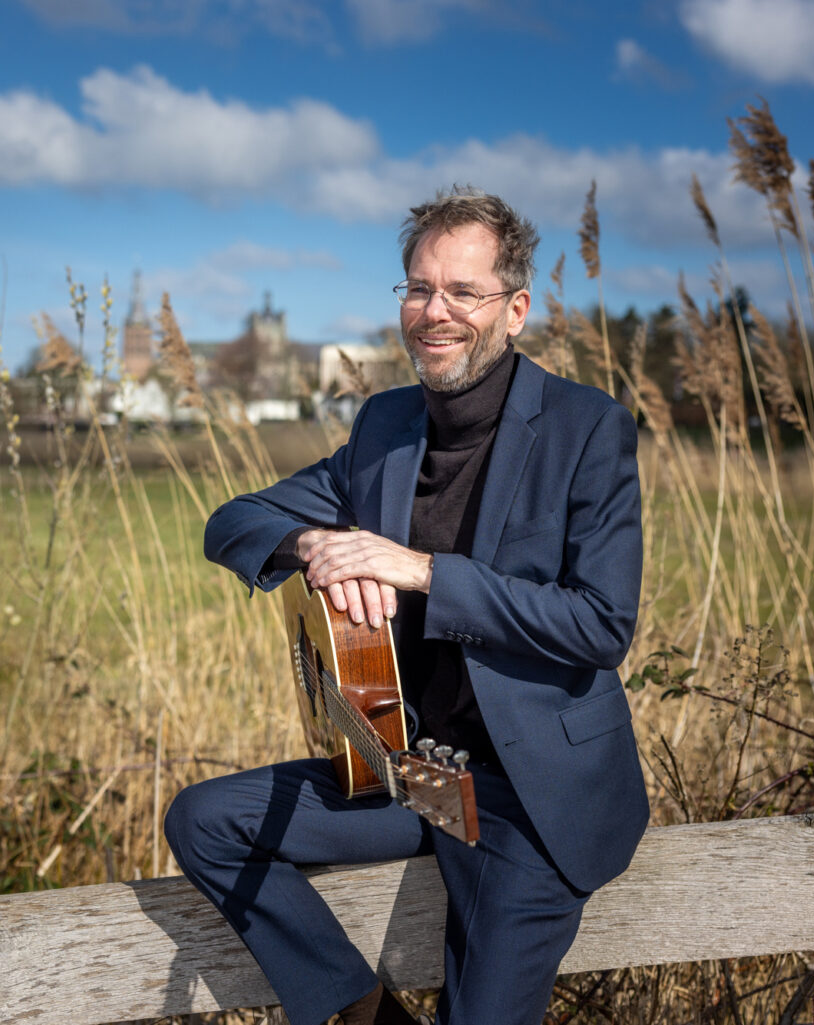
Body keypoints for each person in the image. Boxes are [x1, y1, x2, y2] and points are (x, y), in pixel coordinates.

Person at [163, 187, 648, 1025]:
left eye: (464, 290)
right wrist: (310, 544)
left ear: (516, 308)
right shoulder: (384, 424)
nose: (436, 311)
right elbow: (233, 521)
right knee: (204, 821)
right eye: (420, 288)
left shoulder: (587, 428)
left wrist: (423, 570)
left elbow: (601, 624)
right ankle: (362, 1010)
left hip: (528, 800)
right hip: (405, 779)